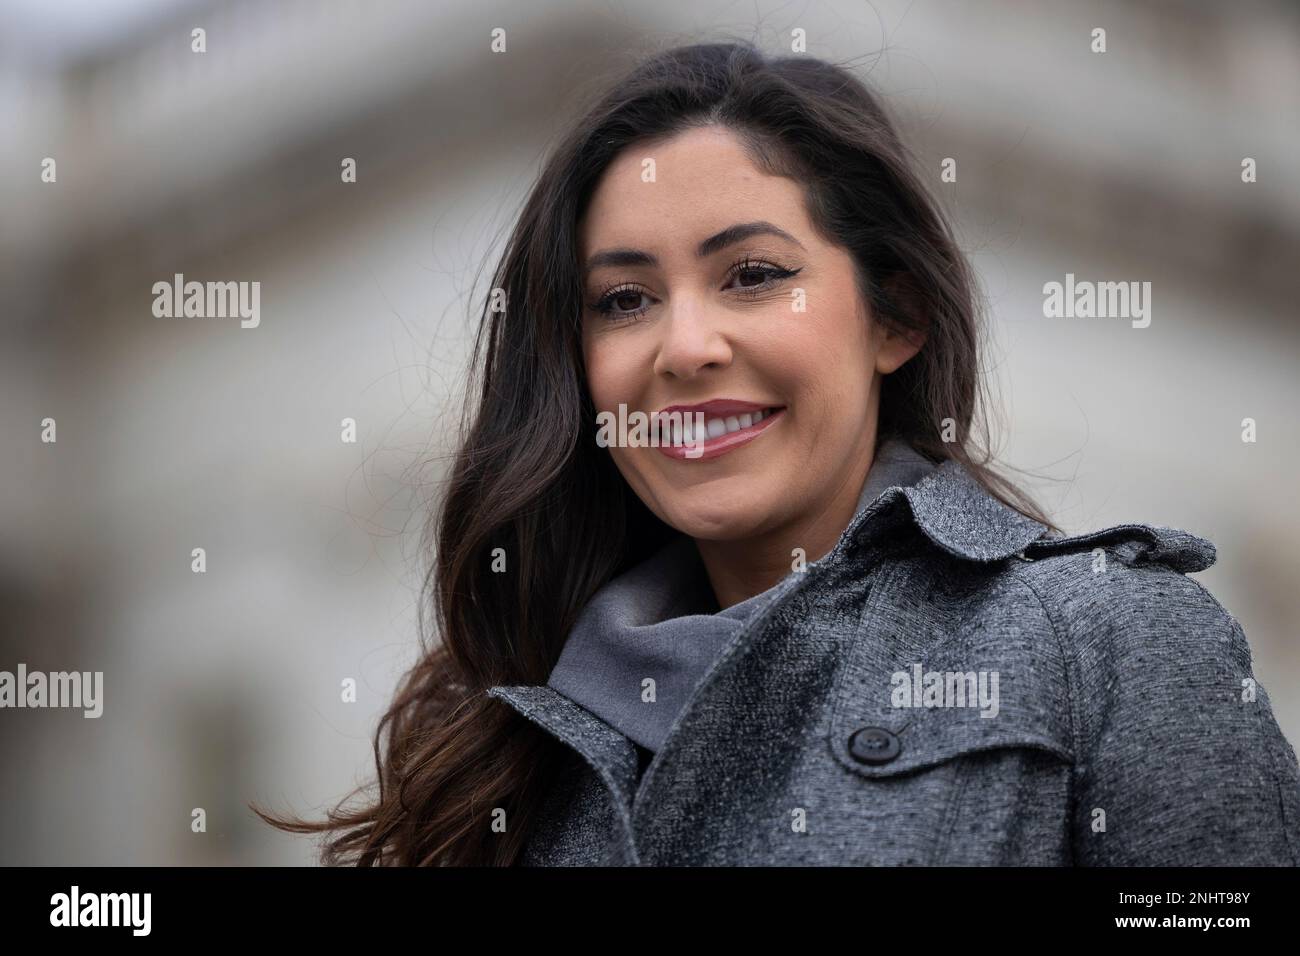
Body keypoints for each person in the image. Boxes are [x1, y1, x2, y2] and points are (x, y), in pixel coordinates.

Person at [256, 41, 1300, 866]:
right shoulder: (493, 749)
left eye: (752, 274)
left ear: (895, 315)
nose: (685, 346)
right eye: (623, 299)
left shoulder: (1113, 642)